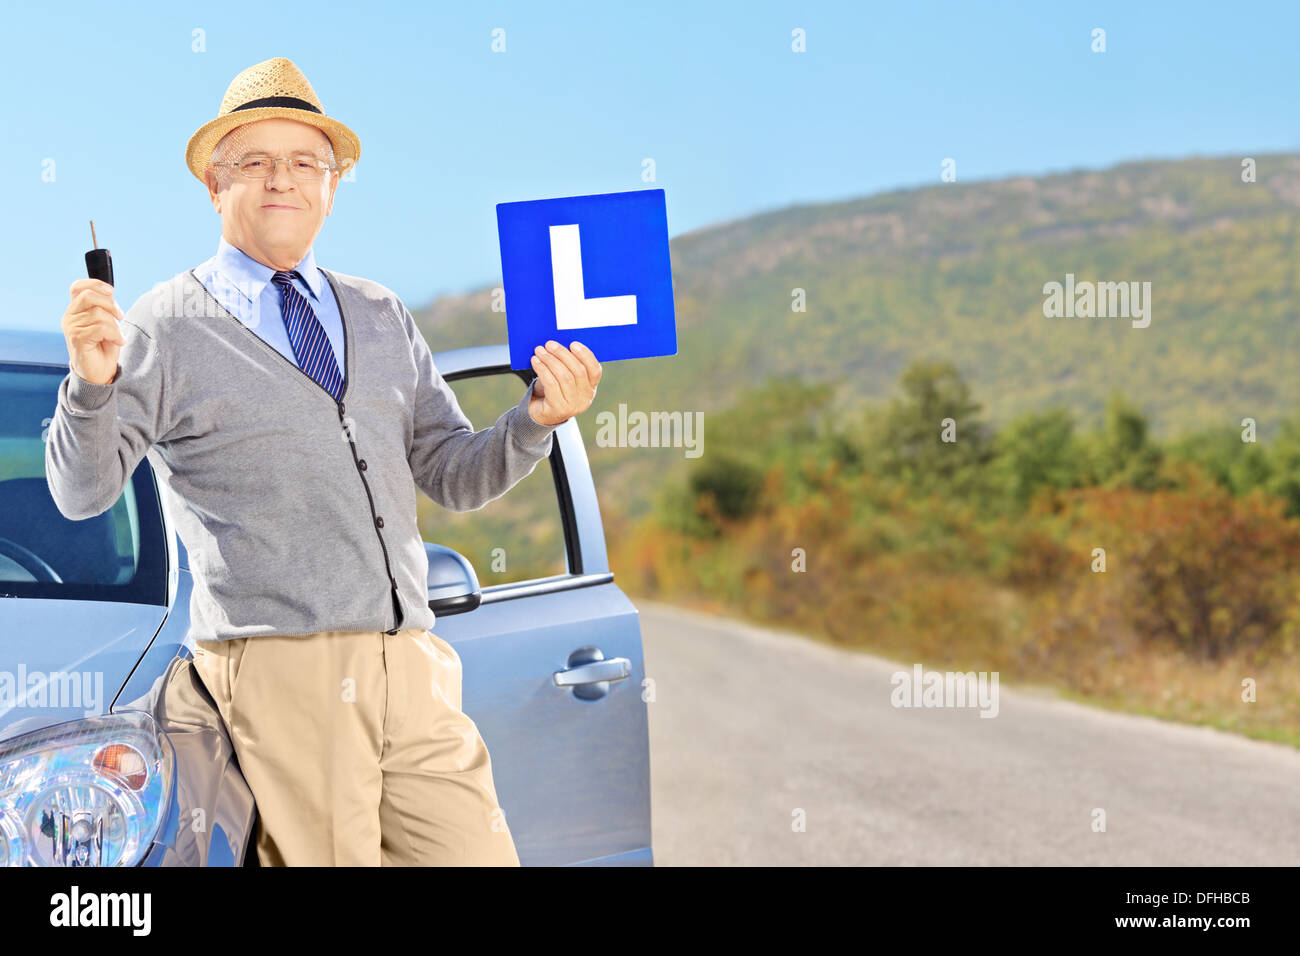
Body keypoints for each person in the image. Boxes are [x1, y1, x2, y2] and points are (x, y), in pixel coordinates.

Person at [47, 57, 601, 866]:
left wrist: (533, 422)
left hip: (410, 662)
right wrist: (91, 386)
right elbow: (82, 491)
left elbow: (451, 470)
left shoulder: (379, 312)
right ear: (214, 182)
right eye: (255, 162)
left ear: (333, 183)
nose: (284, 180)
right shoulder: (163, 325)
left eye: (306, 161)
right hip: (281, 670)